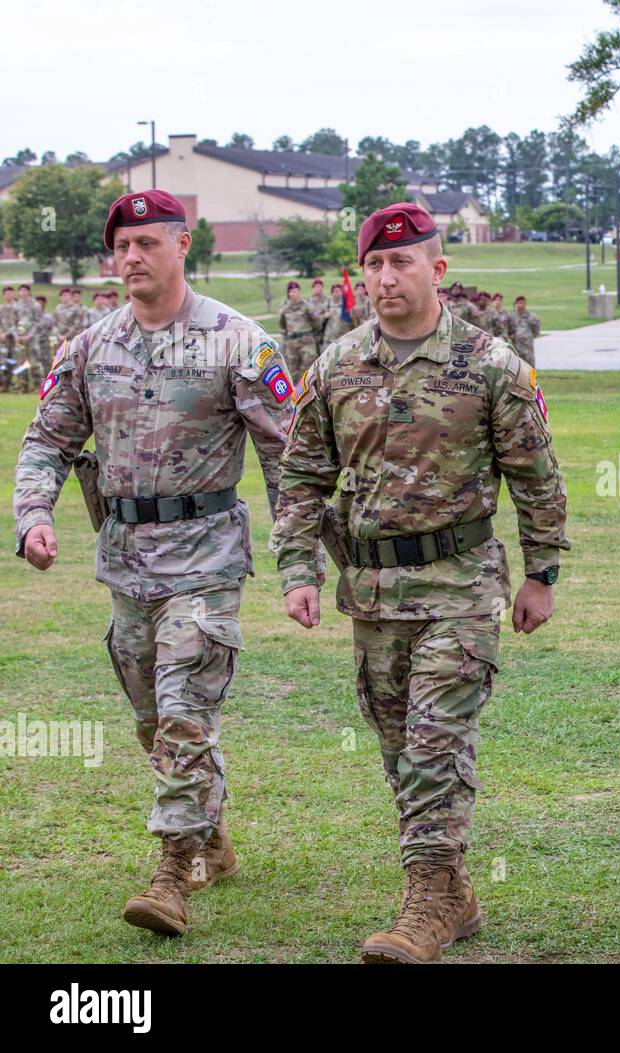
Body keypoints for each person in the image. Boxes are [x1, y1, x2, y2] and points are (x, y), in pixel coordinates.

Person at [271, 203, 569, 965]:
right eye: (374, 263)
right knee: (402, 752)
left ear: (438, 270)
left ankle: (427, 904)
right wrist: (297, 569)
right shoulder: (337, 366)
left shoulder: (490, 363)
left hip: (461, 588)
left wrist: (541, 573)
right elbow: (301, 477)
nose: (385, 276)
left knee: (437, 744)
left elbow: (537, 478)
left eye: (402, 262)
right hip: (372, 592)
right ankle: (459, 891)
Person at [13, 189, 292, 938]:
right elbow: (47, 439)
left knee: (183, 714)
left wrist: (301, 561)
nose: (131, 257)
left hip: (206, 559)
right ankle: (211, 832)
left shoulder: (239, 342)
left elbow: (288, 459)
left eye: (147, 243)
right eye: (122, 246)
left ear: (183, 244)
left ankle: (173, 871)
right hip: (126, 560)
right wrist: (34, 515)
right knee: (150, 719)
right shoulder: (89, 345)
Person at [278, 280, 316, 381]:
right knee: (291, 371)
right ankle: (293, 395)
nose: (293, 294)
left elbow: (316, 322)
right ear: (288, 294)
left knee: (308, 369)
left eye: (295, 291)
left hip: (306, 341)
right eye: (291, 291)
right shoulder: (285, 308)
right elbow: (282, 323)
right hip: (292, 343)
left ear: (299, 292)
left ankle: (308, 394)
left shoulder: (307, 305)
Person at [506, 295, 541, 367]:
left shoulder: (531, 316)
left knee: (530, 365)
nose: (520, 305)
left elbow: (536, 328)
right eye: (518, 303)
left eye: (522, 303)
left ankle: (532, 378)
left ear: (525, 304)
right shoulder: (511, 316)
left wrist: (530, 337)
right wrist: (511, 336)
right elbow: (507, 327)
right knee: (516, 365)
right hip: (516, 344)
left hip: (527, 345)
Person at [307, 277, 330, 350]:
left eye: (318, 286)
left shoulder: (327, 300)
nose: (316, 288)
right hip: (311, 333)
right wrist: (323, 316)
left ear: (322, 288)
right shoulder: (308, 301)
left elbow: (328, 314)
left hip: (323, 332)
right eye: (314, 286)